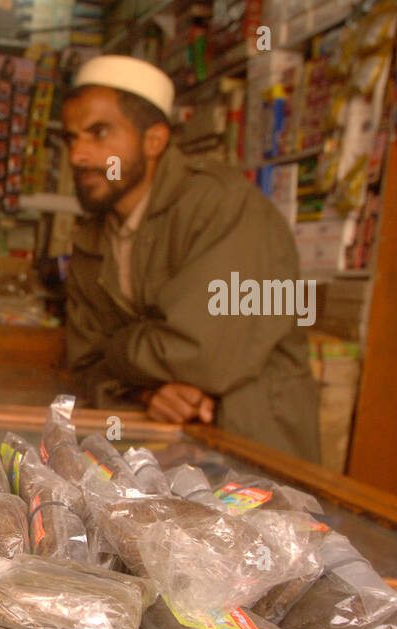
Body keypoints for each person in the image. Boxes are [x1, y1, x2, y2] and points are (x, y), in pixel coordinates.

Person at [61, 54, 321, 461]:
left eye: (99, 133)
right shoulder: (91, 239)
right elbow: (83, 367)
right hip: (159, 462)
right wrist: (148, 392)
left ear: (154, 140)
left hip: (253, 459)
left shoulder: (224, 206)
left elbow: (202, 355)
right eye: (71, 138)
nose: (79, 155)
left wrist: (119, 350)